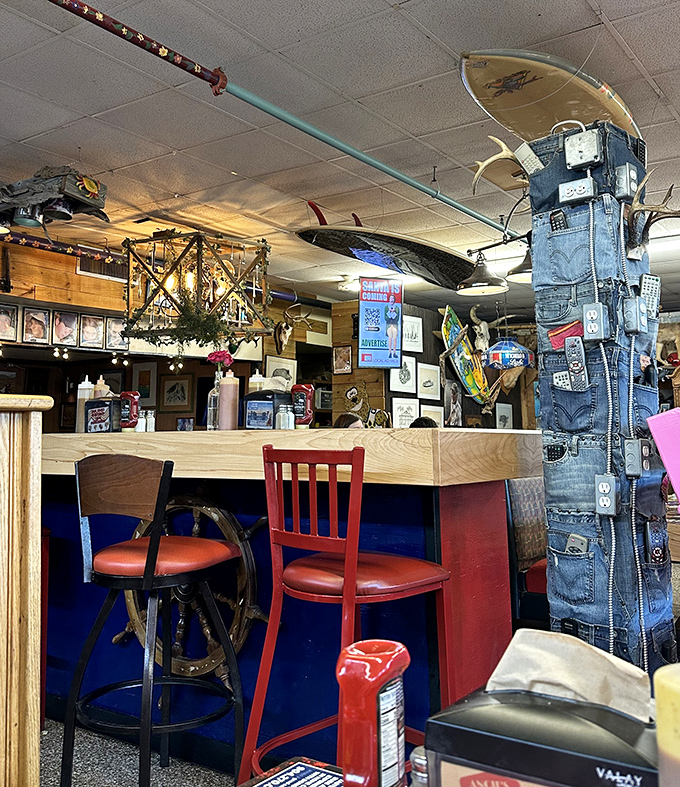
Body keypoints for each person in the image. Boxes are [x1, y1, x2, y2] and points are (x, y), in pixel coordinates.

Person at [384, 294, 400, 359]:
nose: (391, 300)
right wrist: (389, 317)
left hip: (395, 324)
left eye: (393, 299)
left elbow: (398, 317)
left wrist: (394, 315)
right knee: (390, 337)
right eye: (390, 298)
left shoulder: (397, 308)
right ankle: (390, 352)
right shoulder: (386, 307)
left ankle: (394, 352)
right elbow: (385, 317)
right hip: (388, 324)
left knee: (395, 338)